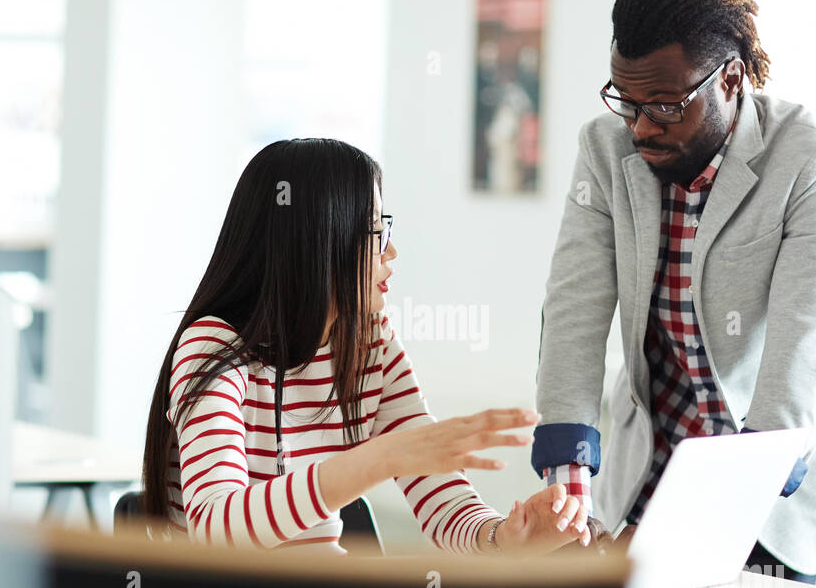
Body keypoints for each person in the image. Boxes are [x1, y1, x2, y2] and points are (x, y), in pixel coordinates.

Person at [532, 0, 816, 583]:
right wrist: (568, 483)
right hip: (647, 473)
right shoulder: (604, 148)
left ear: (731, 78)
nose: (640, 127)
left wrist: (748, 480)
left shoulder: (809, 157)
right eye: (624, 101)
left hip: (767, 498)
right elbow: (574, 303)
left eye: (664, 105)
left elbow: (806, 335)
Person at [141, 137, 591, 555]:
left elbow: (444, 504)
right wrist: (378, 458)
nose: (391, 253)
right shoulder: (213, 346)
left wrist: (504, 537)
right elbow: (216, 529)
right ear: (317, 241)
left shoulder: (369, 343)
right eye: (377, 233)